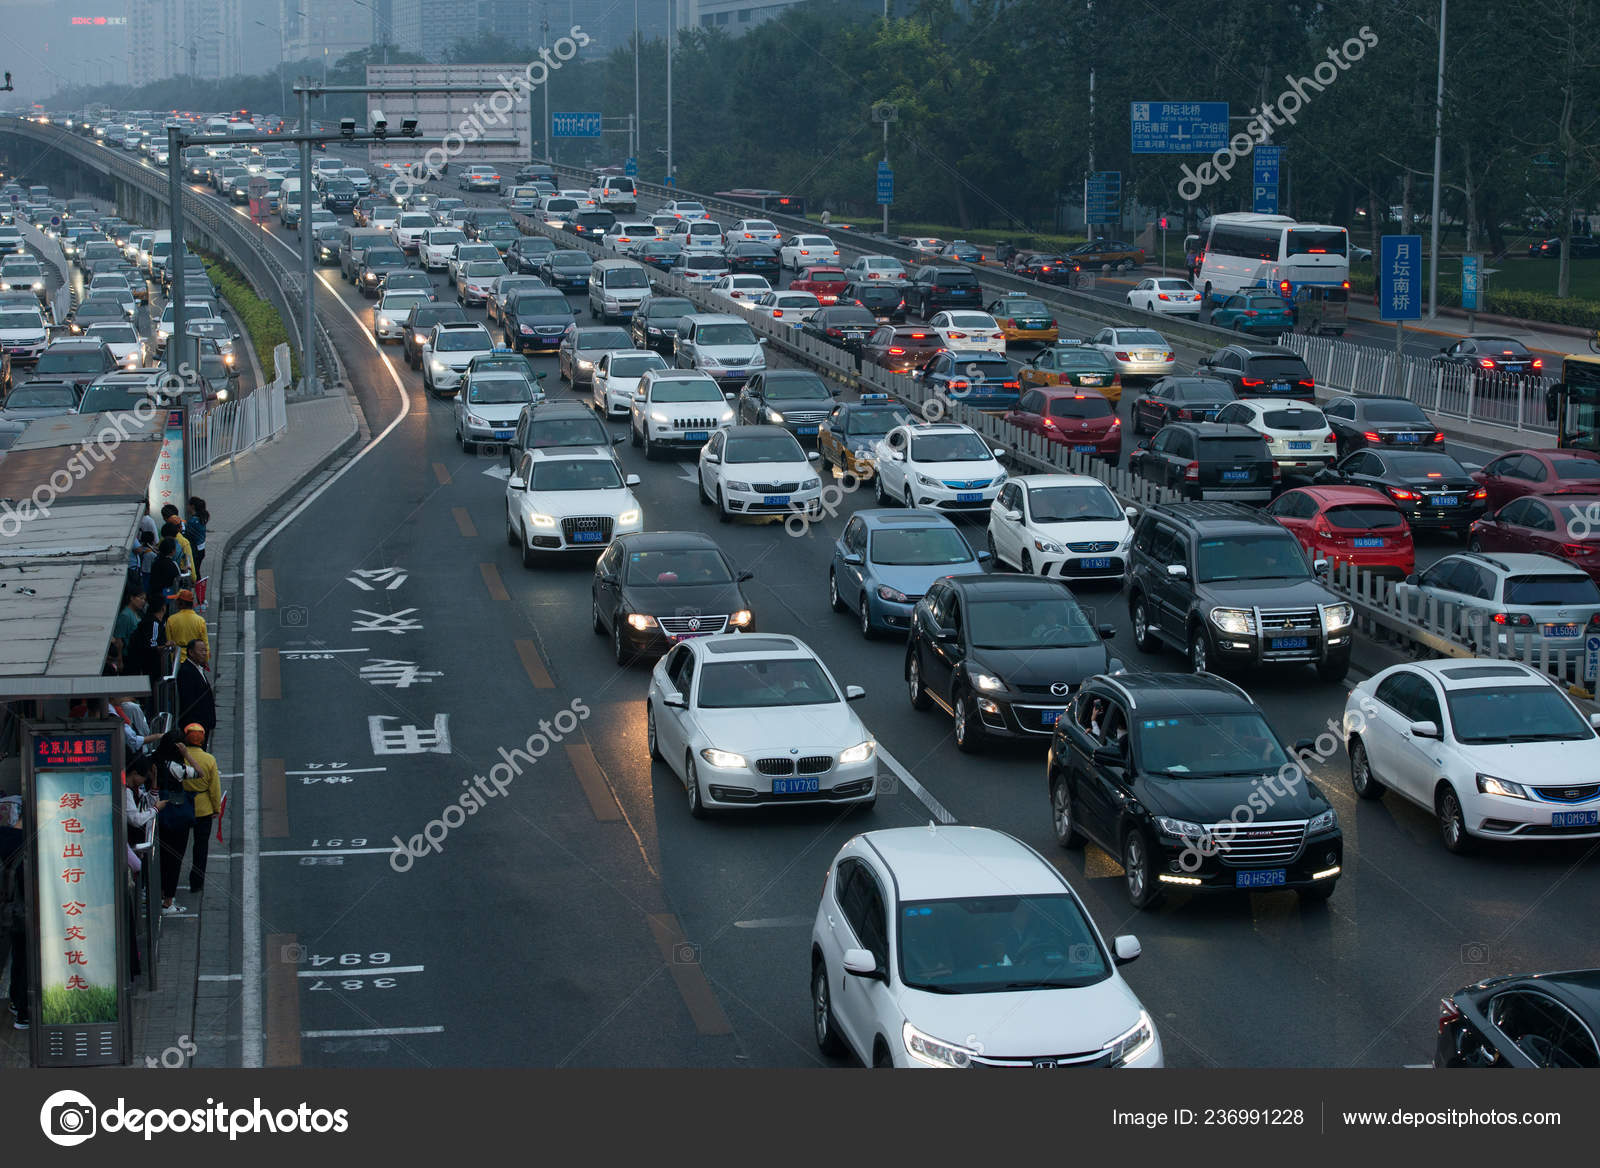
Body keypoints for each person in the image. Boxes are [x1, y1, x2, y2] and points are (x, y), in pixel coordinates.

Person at [153, 732, 197, 913]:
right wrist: (187, 754)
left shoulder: (152, 759)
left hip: (157, 813)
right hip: (176, 815)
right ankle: (168, 901)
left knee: (161, 857)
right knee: (175, 859)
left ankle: (158, 892)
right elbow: (199, 773)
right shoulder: (175, 767)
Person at [181, 725, 221, 896]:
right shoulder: (209, 759)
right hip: (203, 808)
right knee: (201, 847)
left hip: (182, 805)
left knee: (179, 846)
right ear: (202, 739)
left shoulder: (180, 758)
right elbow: (214, 788)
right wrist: (216, 807)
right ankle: (196, 883)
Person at [0, 797, 28, 1029]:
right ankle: (21, 1009)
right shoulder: (30, 843)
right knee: (23, 956)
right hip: (18, 912)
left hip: (7, 910)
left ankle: (16, 1003)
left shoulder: (3, 835)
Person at [177, 639, 216, 746]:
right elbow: (188, 701)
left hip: (202, 724)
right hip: (195, 726)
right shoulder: (186, 672)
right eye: (201, 651)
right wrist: (195, 727)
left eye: (205, 650)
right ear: (191, 652)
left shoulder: (197, 668)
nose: (204, 653)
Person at [165, 589, 207, 664]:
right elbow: (205, 643)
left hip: (178, 660)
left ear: (182, 603)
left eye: (177, 600)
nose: (175, 602)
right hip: (195, 659)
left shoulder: (171, 620)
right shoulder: (200, 621)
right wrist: (205, 660)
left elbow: (170, 642)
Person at [113, 585, 146, 660]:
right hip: (128, 655)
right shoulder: (125, 615)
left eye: (144, 599)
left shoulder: (137, 613)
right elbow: (119, 639)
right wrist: (119, 659)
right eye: (141, 598)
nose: (143, 601)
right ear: (132, 598)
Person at [148, 538, 181, 602]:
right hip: (167, 596)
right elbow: (178, 580)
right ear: (173, 551)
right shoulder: (173, 564)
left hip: (154, 595)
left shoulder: (155, 562)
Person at [185, 497, 209, 580]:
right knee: (197, 571)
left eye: (188, 505)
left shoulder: (193, 521)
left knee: (195, 572)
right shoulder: (200, 518)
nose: (187, 506)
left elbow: (187, 534)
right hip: (201, 550)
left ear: (192, 506)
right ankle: (199, 589)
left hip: (195, 551)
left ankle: (198, 589)